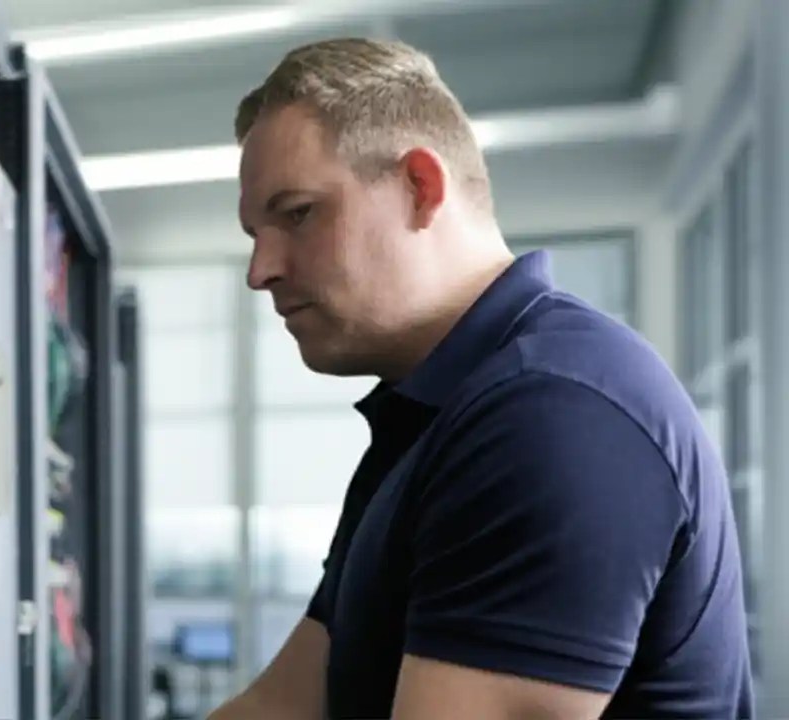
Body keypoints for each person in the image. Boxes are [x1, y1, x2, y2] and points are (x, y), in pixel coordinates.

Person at [212, 37, 753, 719]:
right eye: (254, 233)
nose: (260, 270)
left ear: (420, 187)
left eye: (297, 214)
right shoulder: (427, 419)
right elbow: (282, 707)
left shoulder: (548, 413)